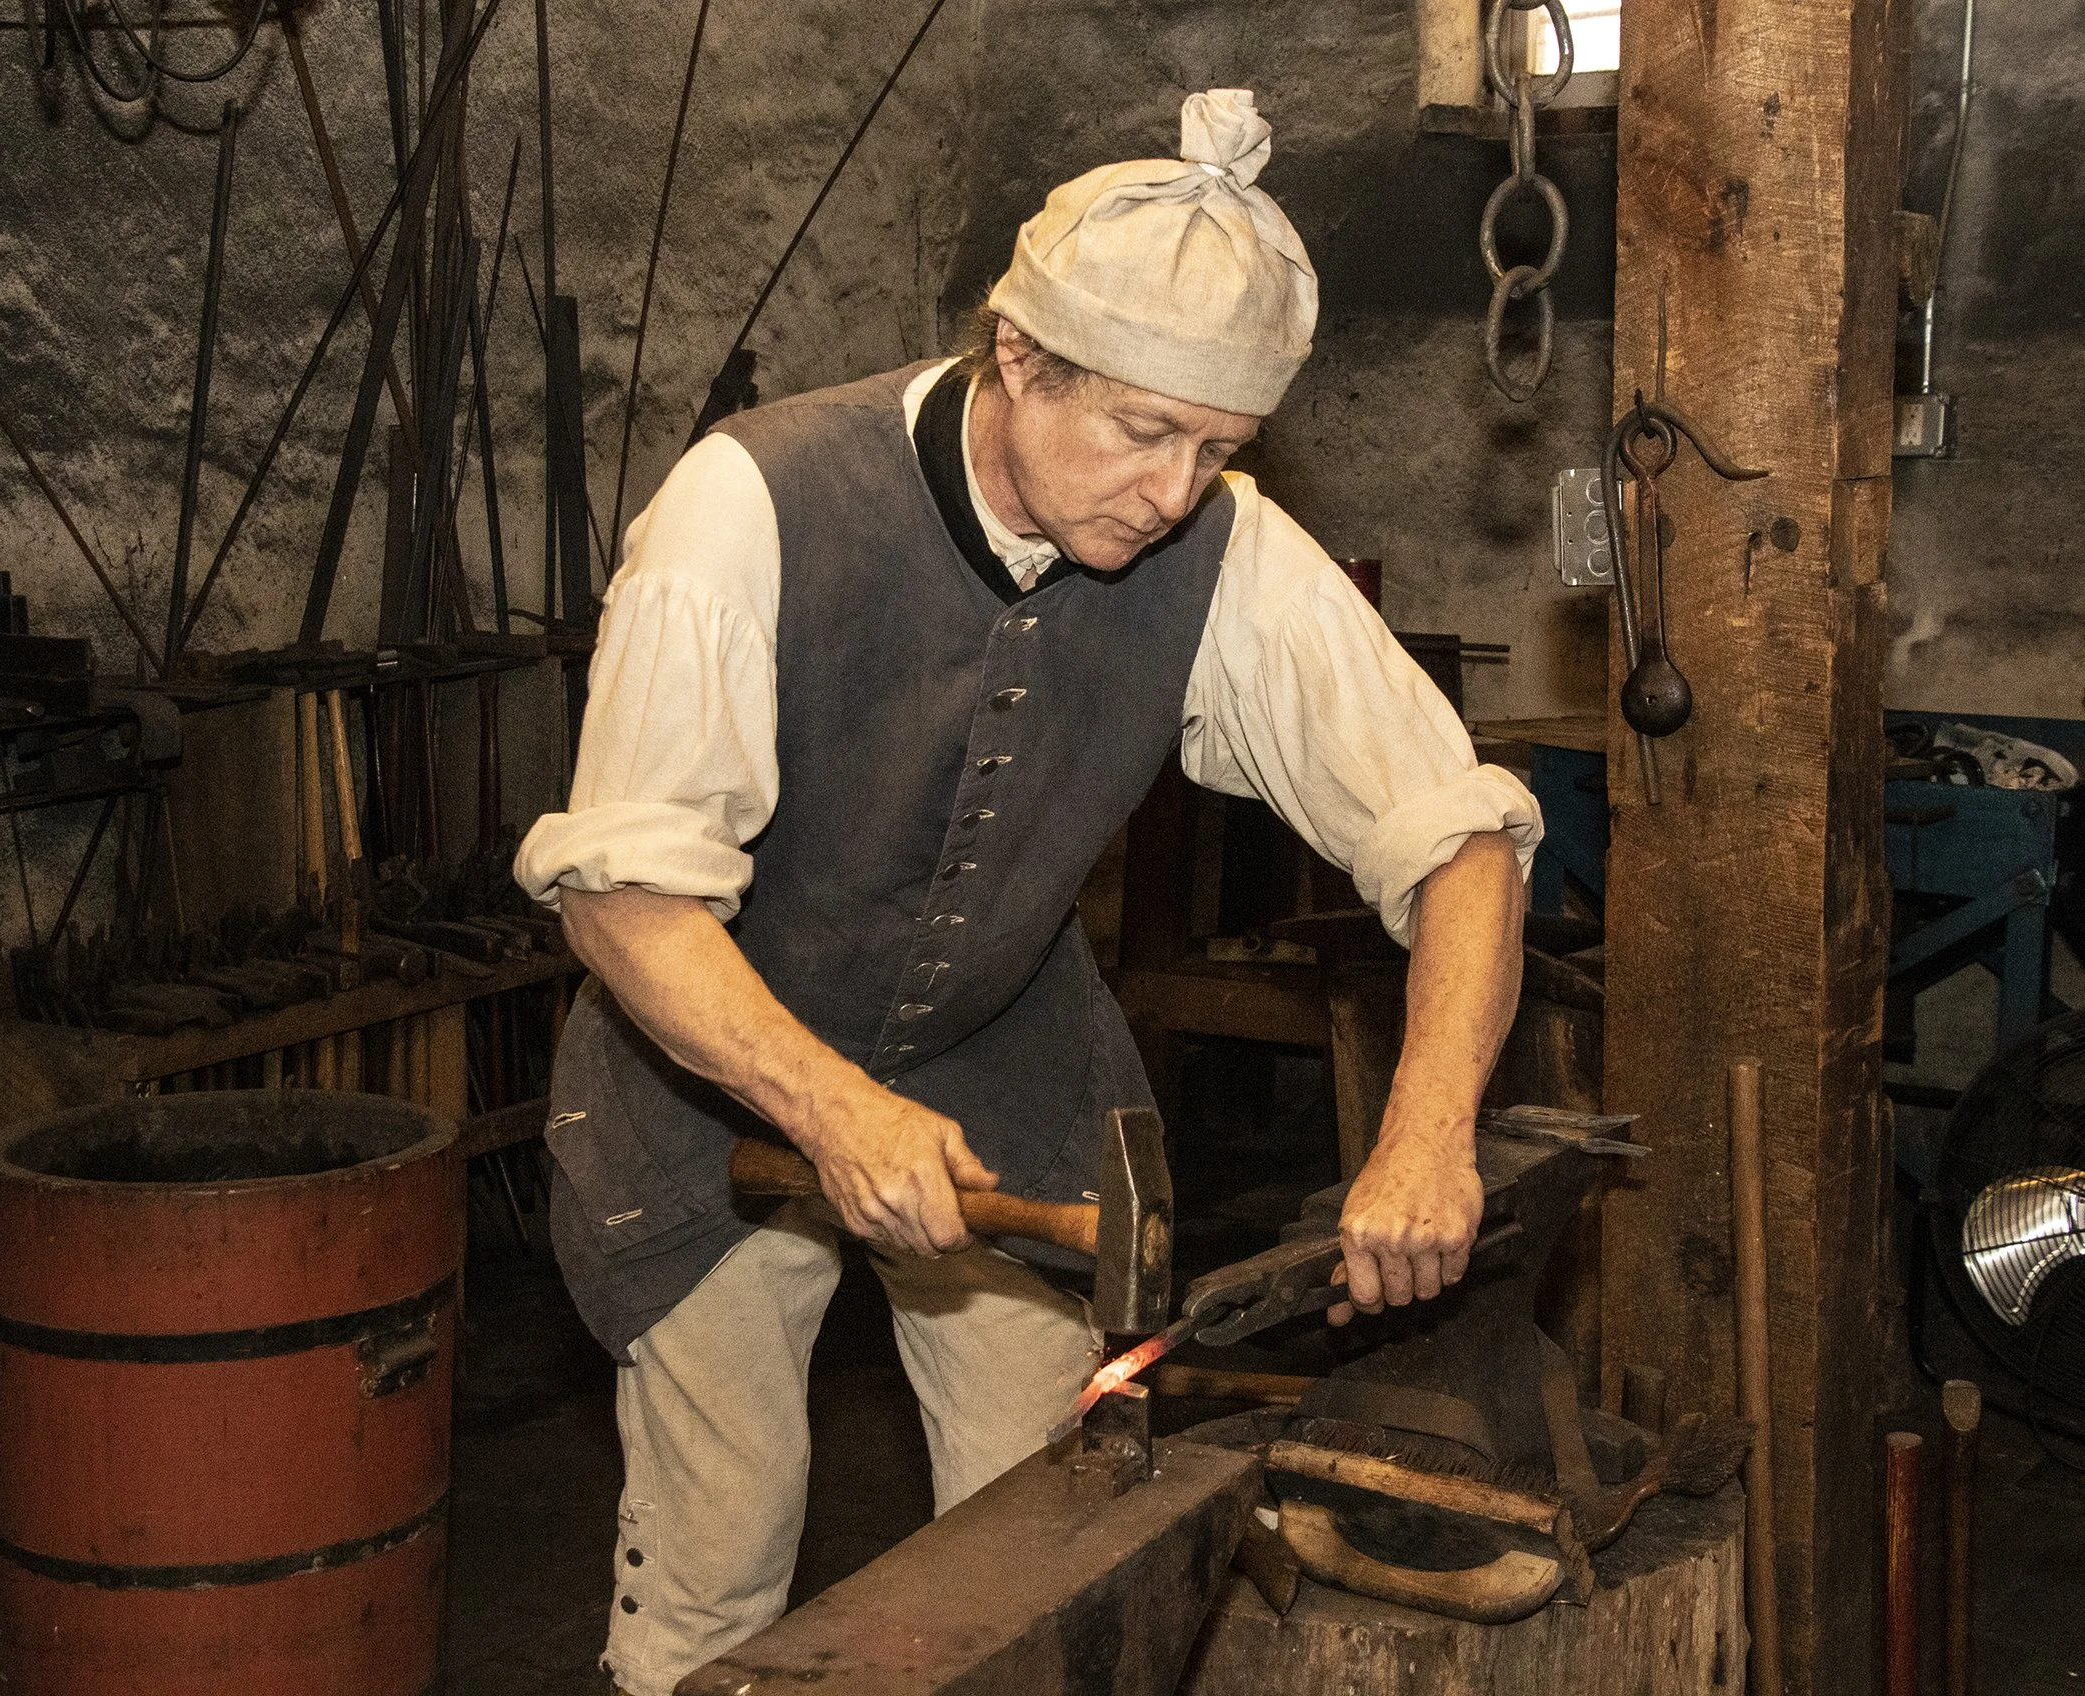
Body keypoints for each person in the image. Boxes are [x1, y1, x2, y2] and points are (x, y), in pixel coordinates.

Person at [514, 87, 1541, 1696]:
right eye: (1141, 433)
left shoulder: (1222, 547)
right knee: (723, 1564)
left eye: (1217, 449)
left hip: (1004, 1061)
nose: (1173, 492)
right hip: (705, 1083)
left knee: (1037, 1553)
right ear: (1018, 357)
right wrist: (838, 1115)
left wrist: (1425, 1132)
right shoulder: (755, 505)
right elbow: (625, 899)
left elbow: (1458, 834)